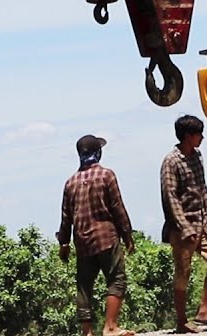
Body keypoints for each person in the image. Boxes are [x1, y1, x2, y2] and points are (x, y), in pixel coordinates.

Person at [57, 135, 136, 336]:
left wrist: (64, 245)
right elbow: (117, 207)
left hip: (83, 242)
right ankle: (110, 326)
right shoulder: (106, 175)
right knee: (116, 279)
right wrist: (127, 235)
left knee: (84, 286)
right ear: (98, 153)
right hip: (106, 238)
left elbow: (66, 218)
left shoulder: (70, 183)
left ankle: (87, 332)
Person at [161, 115, 207, 333]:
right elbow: (170, 197)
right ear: (188, 136)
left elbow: (202, 189)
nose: (202, 137)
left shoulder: (197, 156)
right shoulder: (171, 162)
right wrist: (184, 227)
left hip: (203, 222)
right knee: (183, 273)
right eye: (199, 133)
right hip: (182, 227)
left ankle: (204, 311)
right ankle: (181, 322)